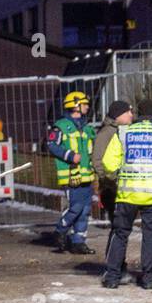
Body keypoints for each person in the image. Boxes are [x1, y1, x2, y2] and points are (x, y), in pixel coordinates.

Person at [99, 98, 152, 290]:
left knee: (120, 234)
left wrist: (119, 173)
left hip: (127, 195)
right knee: (150, 236)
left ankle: (113, 277)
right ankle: (148, 279)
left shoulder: (123, 132)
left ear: (138, 114)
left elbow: (109, 163)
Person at [46, 91, 97, 254]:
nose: (88, 107)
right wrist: (69, 156)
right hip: (71, 176)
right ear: (75, 105)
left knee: (84, 210)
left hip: (86, 176)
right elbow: (52, 145)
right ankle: (60, 231)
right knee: (76, 208)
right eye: (85, 104)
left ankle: (78, 242)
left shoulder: (87, 128)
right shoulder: (61, 126)